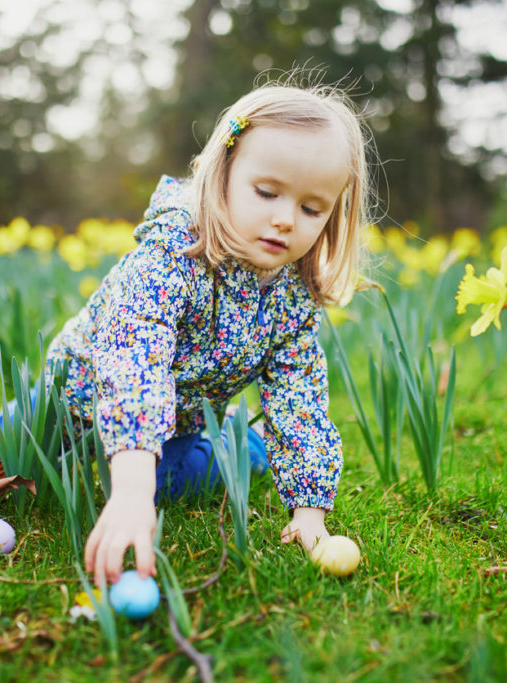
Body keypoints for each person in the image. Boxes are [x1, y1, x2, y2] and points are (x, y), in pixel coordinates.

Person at [44, 81, 374, 589]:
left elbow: (300, 401)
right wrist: (131, 489)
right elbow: (134, 360)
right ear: (222, 174)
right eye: (267, 193)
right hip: (73, 402)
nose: (285, 220)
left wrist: (310, 515)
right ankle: (179, 456)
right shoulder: (172, 254)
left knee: (169, 483)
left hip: (173, 428)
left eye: (312, 209)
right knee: (18, 448)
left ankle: (243, 447)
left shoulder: (291, 298)